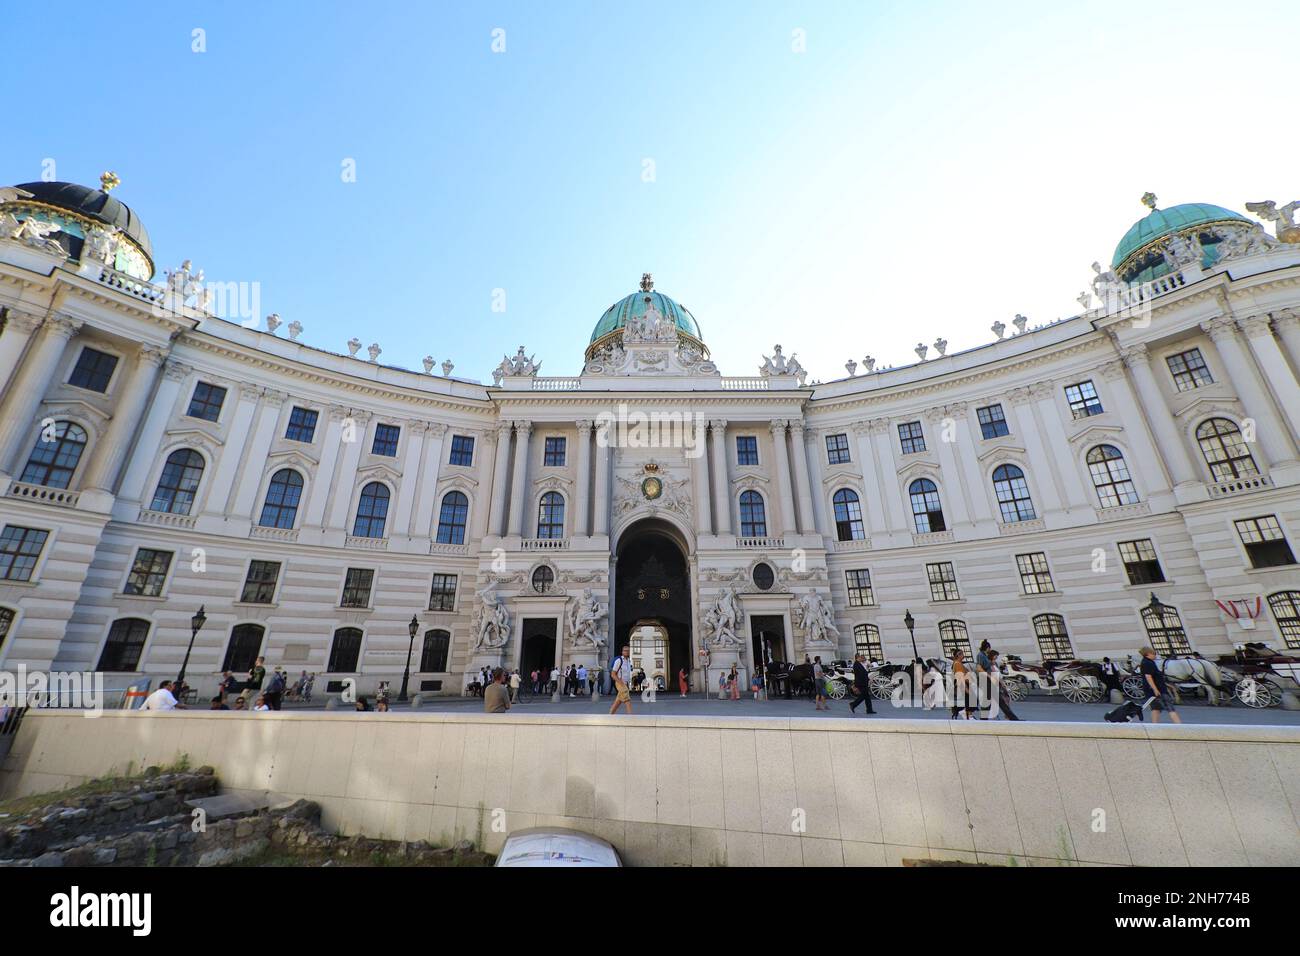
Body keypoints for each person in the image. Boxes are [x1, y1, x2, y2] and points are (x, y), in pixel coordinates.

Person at [1139, 646, 1180, 724]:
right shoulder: (1147, 663)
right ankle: (1180, 726)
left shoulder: (1147, 662)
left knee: (1155, 709)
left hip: (1153, 690)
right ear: (1148, 654)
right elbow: (1148, 677)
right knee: (1170, 708)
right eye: (1154, 653)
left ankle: (1154, 726)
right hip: (1158, 690)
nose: (1155, 655)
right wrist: (1155, 689)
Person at [986, 650, 1021, 720]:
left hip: (998, 683)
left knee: (1005, 700)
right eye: (996, 655)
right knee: (1001, 701)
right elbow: (995, 675)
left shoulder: (995, 663)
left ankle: (1004, 716)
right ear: (992, 655)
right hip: (996, 683)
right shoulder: (989, 664)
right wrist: (1002, 683)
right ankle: (1003, 716)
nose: (997, 657)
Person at [609, 645, 634, 715]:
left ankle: (610, 715)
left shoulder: (629, 661)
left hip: (625, 683)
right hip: (620, 683)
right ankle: (631, 717)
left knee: (618, 701)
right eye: (625, 650)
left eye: (628, 651)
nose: (627, 652)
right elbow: (613, 674)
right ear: (622, 652)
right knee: (627, 699)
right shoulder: (619, 660)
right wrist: (621, 683)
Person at [950, 649, 973, 719]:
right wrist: (966, 689)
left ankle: (963, 713)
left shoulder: (958, 663)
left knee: (968, 702)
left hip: (964, 685)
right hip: (964, 686)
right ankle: (968, 715)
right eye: (962, 654)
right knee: (970, 702)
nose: (964, 655)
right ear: (958, 655)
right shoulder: (957, 664)